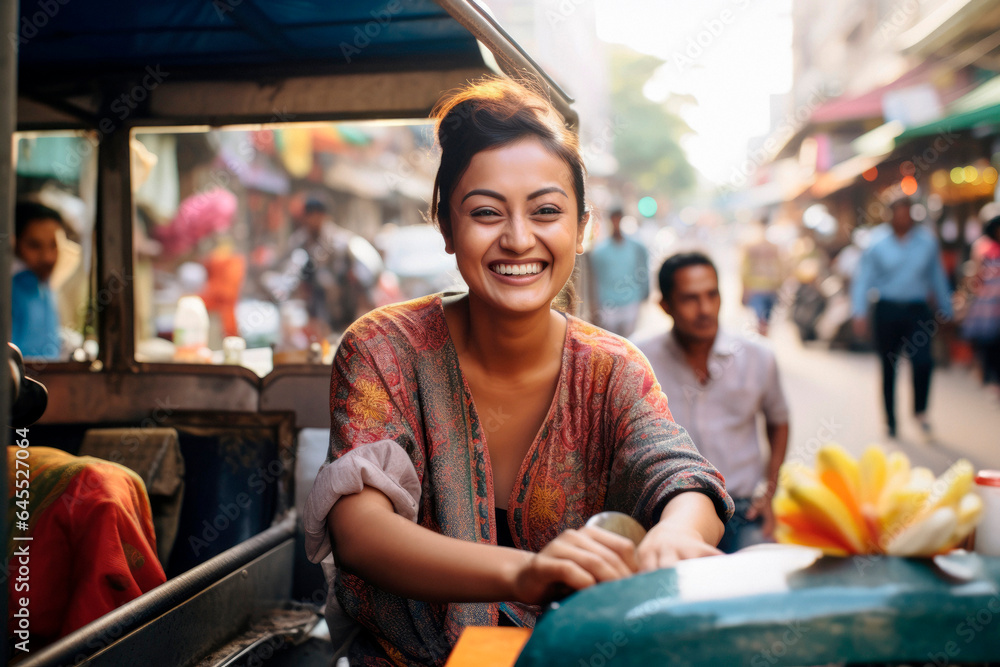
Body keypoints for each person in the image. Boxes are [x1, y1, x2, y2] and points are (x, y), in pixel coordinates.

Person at [302, 78, 733, 666]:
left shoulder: (612, 369)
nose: (518, 238)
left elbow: (678, 474)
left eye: (546, 211)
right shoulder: (381, 349)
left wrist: (677, 535)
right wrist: (525, 573)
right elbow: (358, 531)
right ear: (446, 227)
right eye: (486, 212)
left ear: (581, 228)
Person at [637, 252, 789, 553]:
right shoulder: (638, 360)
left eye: (712, 295)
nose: (705, 309)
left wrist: (769, 492)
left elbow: (779, 421)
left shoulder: (758, 356)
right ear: (665, 306)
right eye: (690, 299)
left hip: (743, 509)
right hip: (668, 514)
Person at [851, 196, 953, 438]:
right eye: (898, 213)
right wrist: (859, 312)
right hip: (886, 310)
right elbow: (863, 278)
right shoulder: (875, 242)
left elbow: (937, 277)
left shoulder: (927, 242)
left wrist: (947, 308)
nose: (902, 218)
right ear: (889, 215)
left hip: (917, 311)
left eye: (906, 213)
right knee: (888, 366)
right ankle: (891, 420)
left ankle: (920, 410)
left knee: (923, 361)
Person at [11, 201, 64, 360]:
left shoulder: (44, 285)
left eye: (54, 245)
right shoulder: (11, 288)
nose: (48, 257)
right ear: (14, 243)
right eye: (34, 245)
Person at [586, 208, 650, 337]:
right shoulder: (600, 251)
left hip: (631, 303)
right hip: (608, 306)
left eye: (619, 219)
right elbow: (594, 280)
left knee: (630, 343)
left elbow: (643, 271)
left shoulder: (636, 248)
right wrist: (594, 305)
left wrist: (645, 292)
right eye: (614, 219)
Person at [960, 215, 1000, 396]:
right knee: (987, 340)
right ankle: (988, 376)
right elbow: (975, 273)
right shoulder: (982, 246)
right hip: (986, 301)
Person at [741, 220, 784, 335]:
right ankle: (763, 343)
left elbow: (744, 270)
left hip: (758, 289)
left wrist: (744, 290)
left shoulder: (750, 247)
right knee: (764, 321)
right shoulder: (773, 247)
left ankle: (762, 343)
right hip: (769, 288)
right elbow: (781, 269)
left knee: (761, 320)